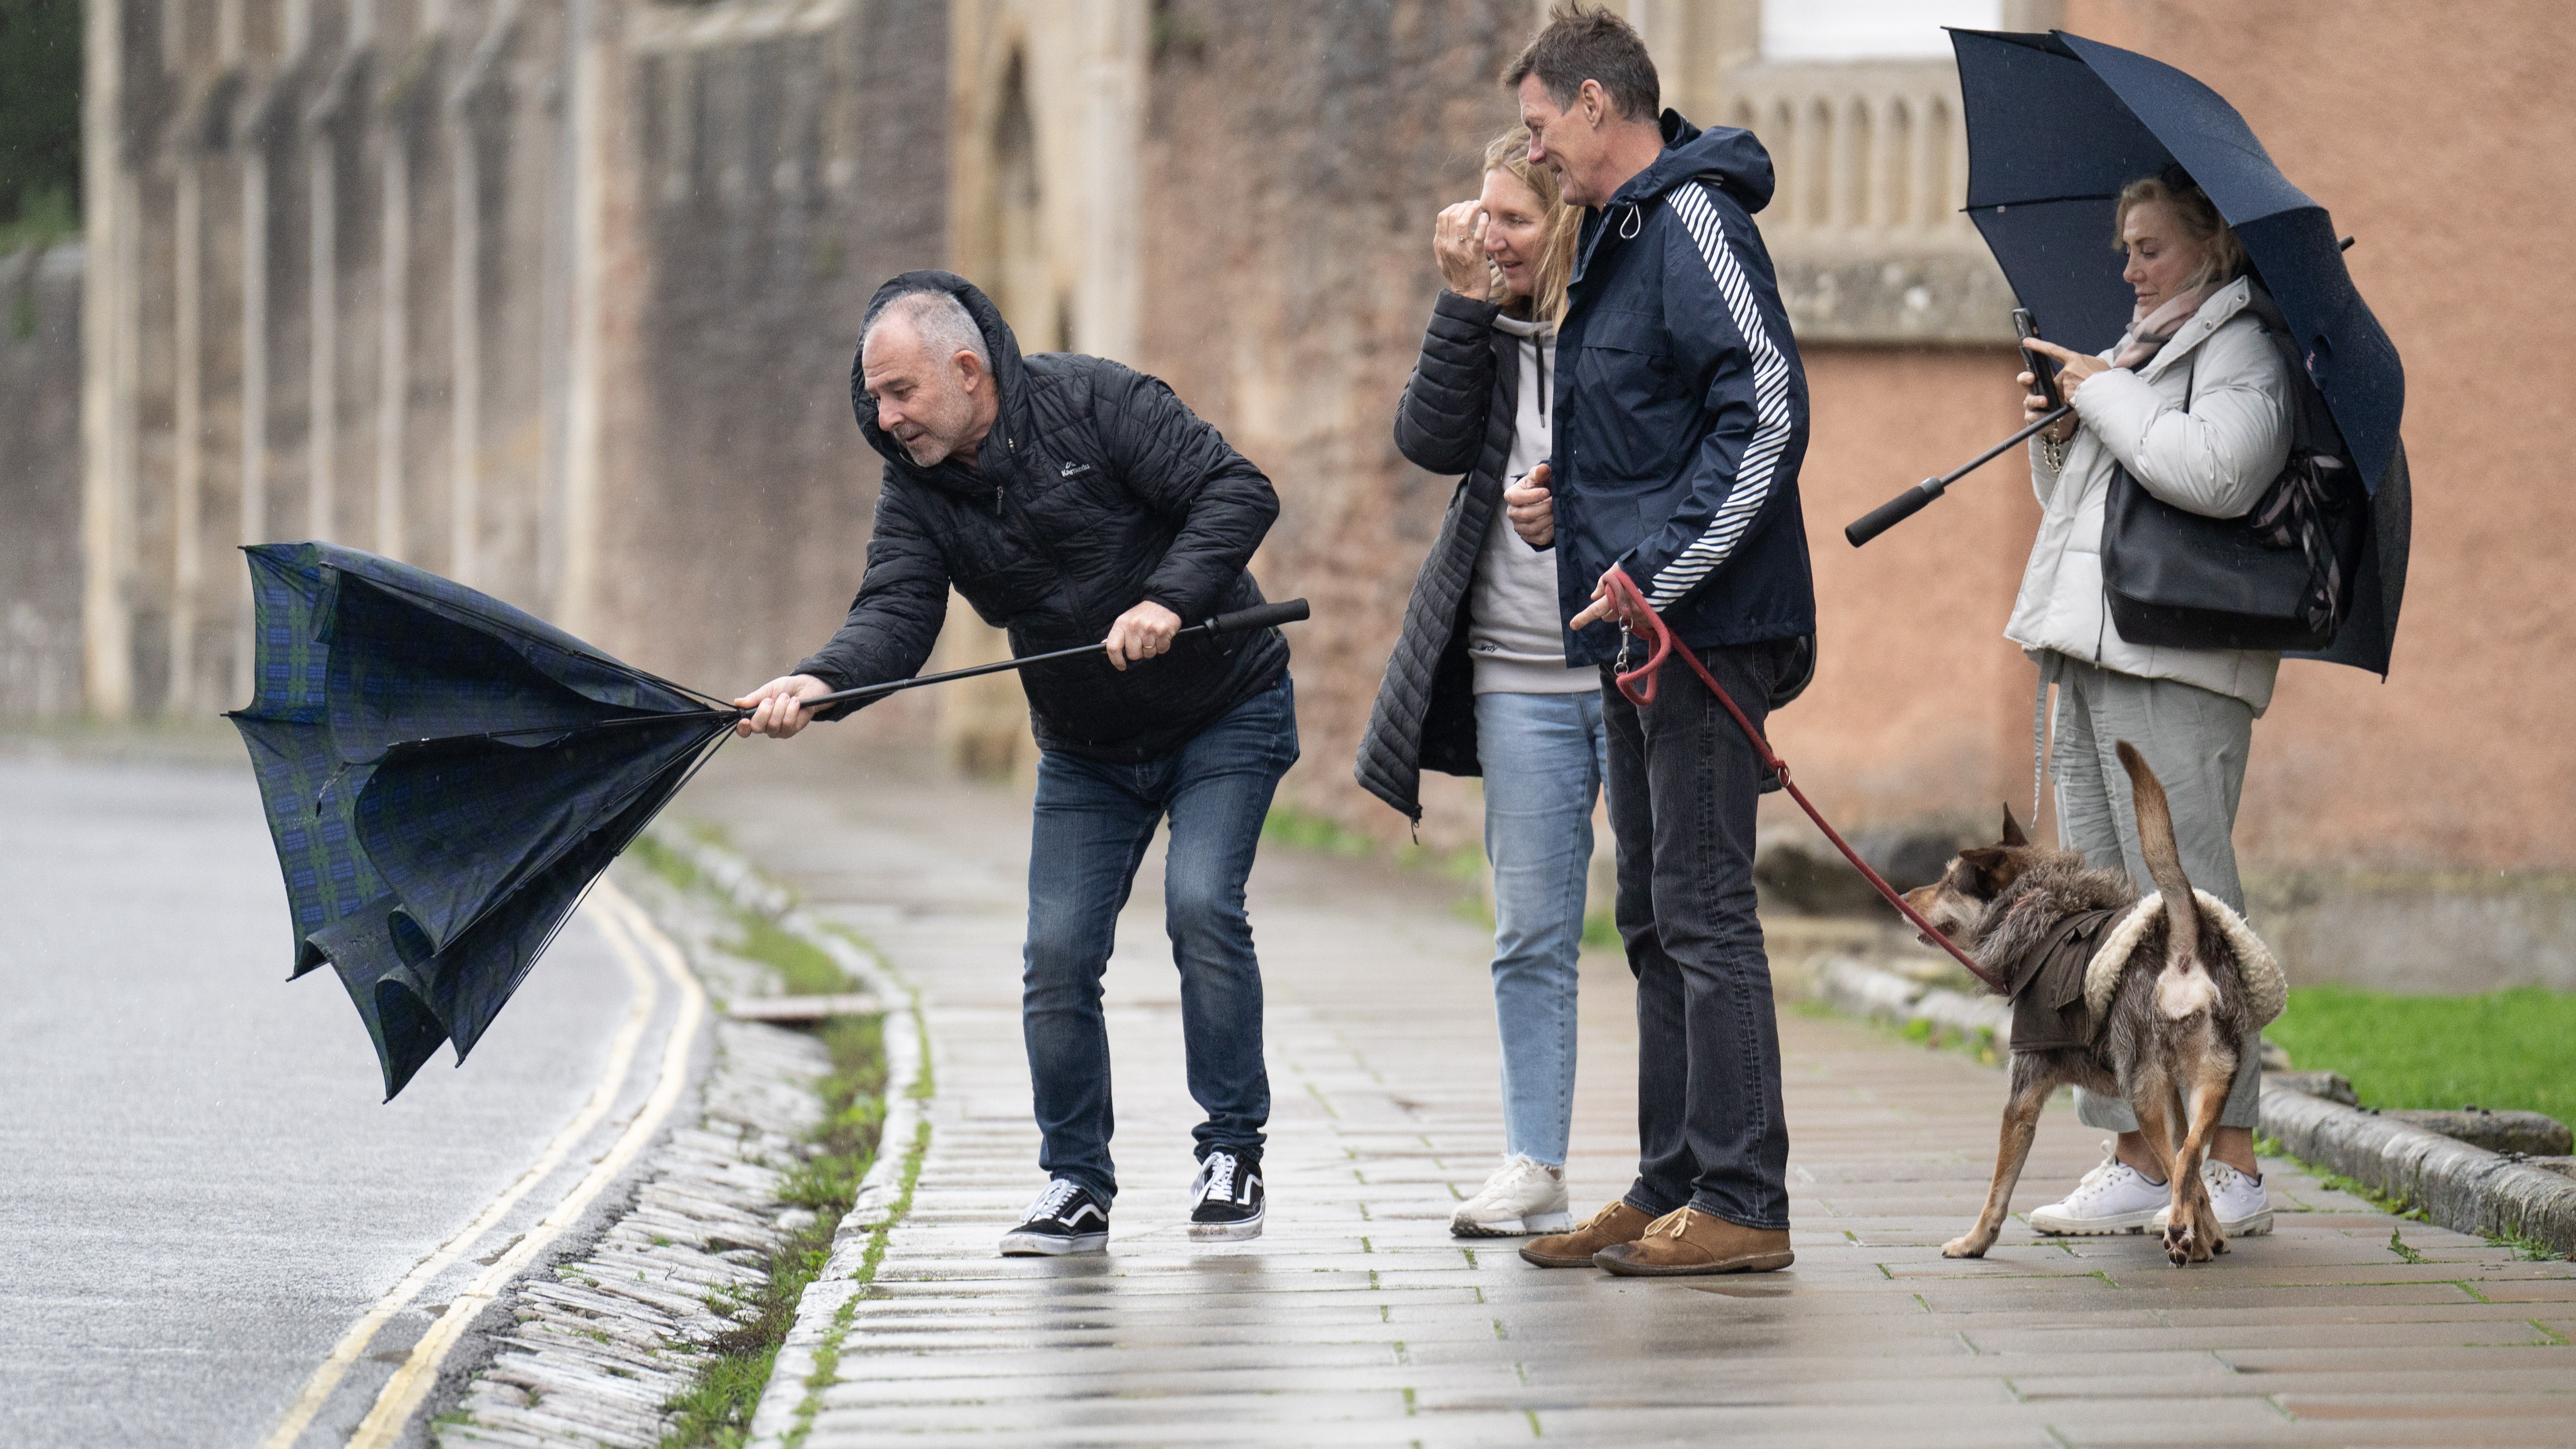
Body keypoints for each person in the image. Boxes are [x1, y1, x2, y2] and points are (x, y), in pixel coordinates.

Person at [735, 271, 1298, 1256]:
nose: (885, 415)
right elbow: (895, 613)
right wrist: (820, 682)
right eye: (874, 396)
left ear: (966, 370)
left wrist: (1166, 597)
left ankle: (1231, 1153)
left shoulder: (1100, 401)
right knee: (1058, 957)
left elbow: (1236, 491)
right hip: (1086, 749)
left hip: (1223, 710)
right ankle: (1075, 1181)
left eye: (900, 392)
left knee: (1202, 905)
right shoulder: (915, 485)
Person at [1497, 6, 1816, 1278]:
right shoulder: (1620, 242)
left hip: (1703, 628)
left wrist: (1663, 584)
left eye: (1537, 128)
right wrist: (1559, 500)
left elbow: (1771, 410)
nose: (1533, 156)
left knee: (1702, 905)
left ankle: (1745, 1199)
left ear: (1592, 105)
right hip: (1637, 635)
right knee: (1647, 911)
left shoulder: (1696, 219)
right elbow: (1655, 435)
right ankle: (1673, 1179)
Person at [2011, 169, 2294, 1242]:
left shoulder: (2244, 349)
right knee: (2103, 922)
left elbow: (2215, 472)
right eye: (2123, 248)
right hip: (2089, 648)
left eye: (2150, 249)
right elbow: (2082, 511)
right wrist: (2057, 431)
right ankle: (2134, 1150)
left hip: (2177, 664)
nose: (2126, 270)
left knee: (2189, 917)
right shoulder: (2139, 356)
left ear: (2211, 245)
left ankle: (2232, 1162)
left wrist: (2105, 397)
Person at [1358, 126, 1594, 1238]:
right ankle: (1532, 1161)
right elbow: (1430, 440)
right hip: (1515, 674)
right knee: (1530, 930)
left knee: (1664, 920)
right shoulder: (1485, 326)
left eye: (1514, 219)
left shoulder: (1612, 320)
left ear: (1566, 223)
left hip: (1626, 660)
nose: (1489, 237)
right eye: (1482, 215)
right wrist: (1460, 308)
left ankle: (1686, 1167)